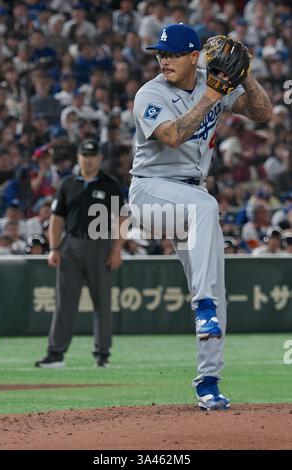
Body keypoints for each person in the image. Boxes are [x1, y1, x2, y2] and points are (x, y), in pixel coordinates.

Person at [128, 24, 272, 410]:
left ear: (195, 57)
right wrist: (213, 96)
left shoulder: (215, 81)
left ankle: (208, 384)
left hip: (190, 194)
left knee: (217, 288)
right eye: (160, 53)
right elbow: (172, 135)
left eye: (171, 54)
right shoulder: (151, 93)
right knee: (206, 207)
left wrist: (245, 75)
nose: (163, 60)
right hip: (150, 192)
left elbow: (262, 112)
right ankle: (203, 307)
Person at [35, 139, 125, 369]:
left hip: (101, 245)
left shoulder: (110, 184)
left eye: (93, 155)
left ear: (99, 158)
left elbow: (122, 218)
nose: (89, 159)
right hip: (71, 244)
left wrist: (116, 249)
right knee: (64, 302)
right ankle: (56, 354)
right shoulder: (67, 184)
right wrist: (54, 248)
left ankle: (102, 354)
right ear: (78, 157)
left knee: (102, 303)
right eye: (85, 155)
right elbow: (57, 219)